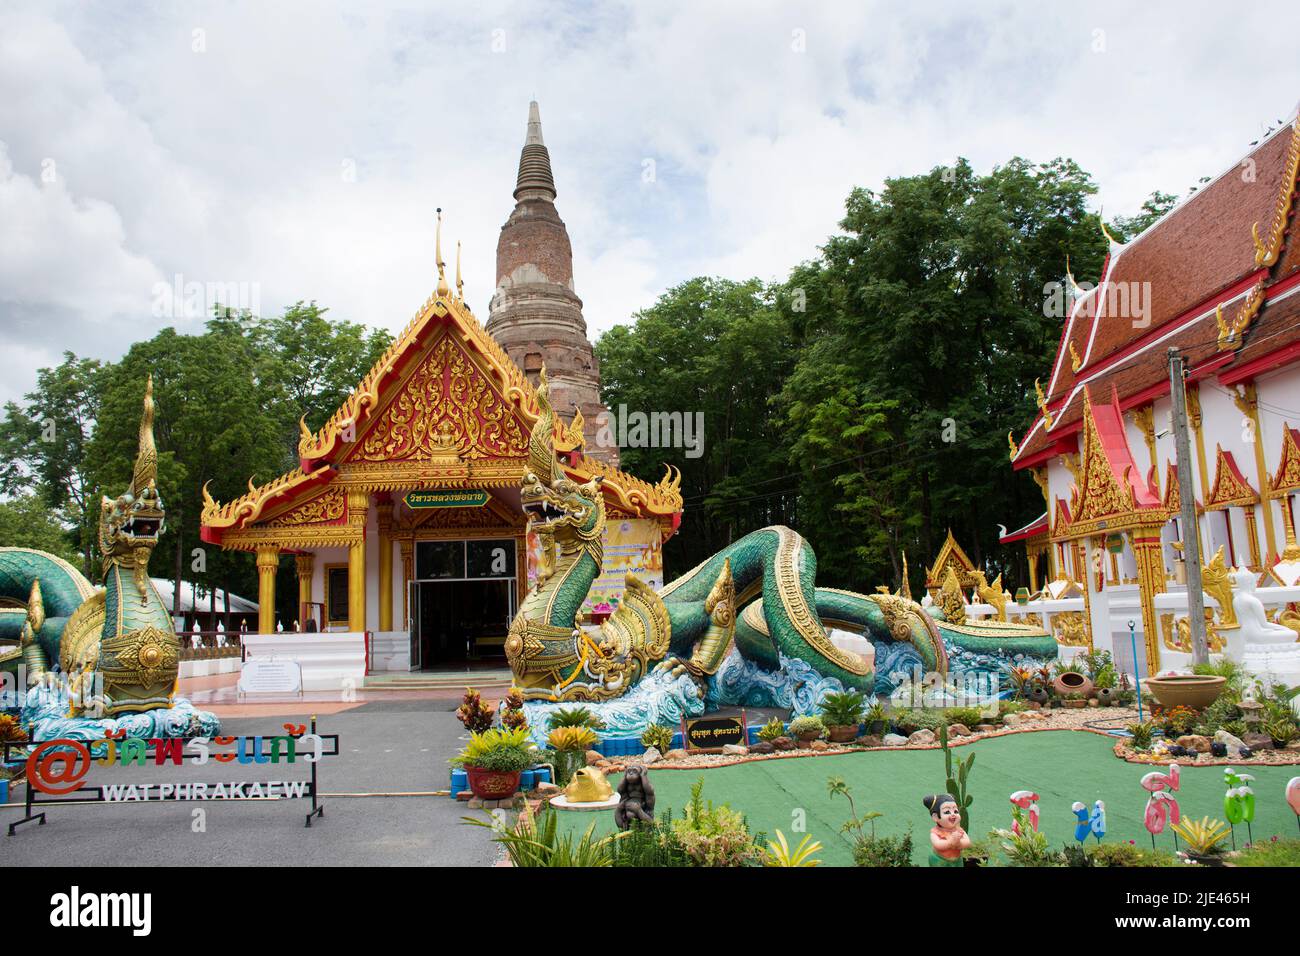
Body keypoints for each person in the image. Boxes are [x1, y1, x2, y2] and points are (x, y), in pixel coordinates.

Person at [923, 793, 970, 867]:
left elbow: (967, 842)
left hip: (957, 860)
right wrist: (950, 842)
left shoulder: (959, 830)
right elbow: (937, 844)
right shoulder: (935, 832)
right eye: (947, 812)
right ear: (935, 817)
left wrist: (959, 843)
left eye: (955, 811)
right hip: (939, 860)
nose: (953, 814)